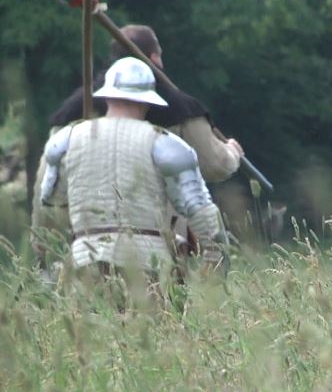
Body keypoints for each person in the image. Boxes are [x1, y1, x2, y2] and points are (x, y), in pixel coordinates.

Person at [32, 24, 242, 270]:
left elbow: (45, 200)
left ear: (107, 96)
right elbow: (207, 190)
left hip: (85, 260)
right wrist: (216, 262)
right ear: (148, 102)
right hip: (154, 260)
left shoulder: (67, 135)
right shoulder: (167, 138)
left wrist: (47, 258)